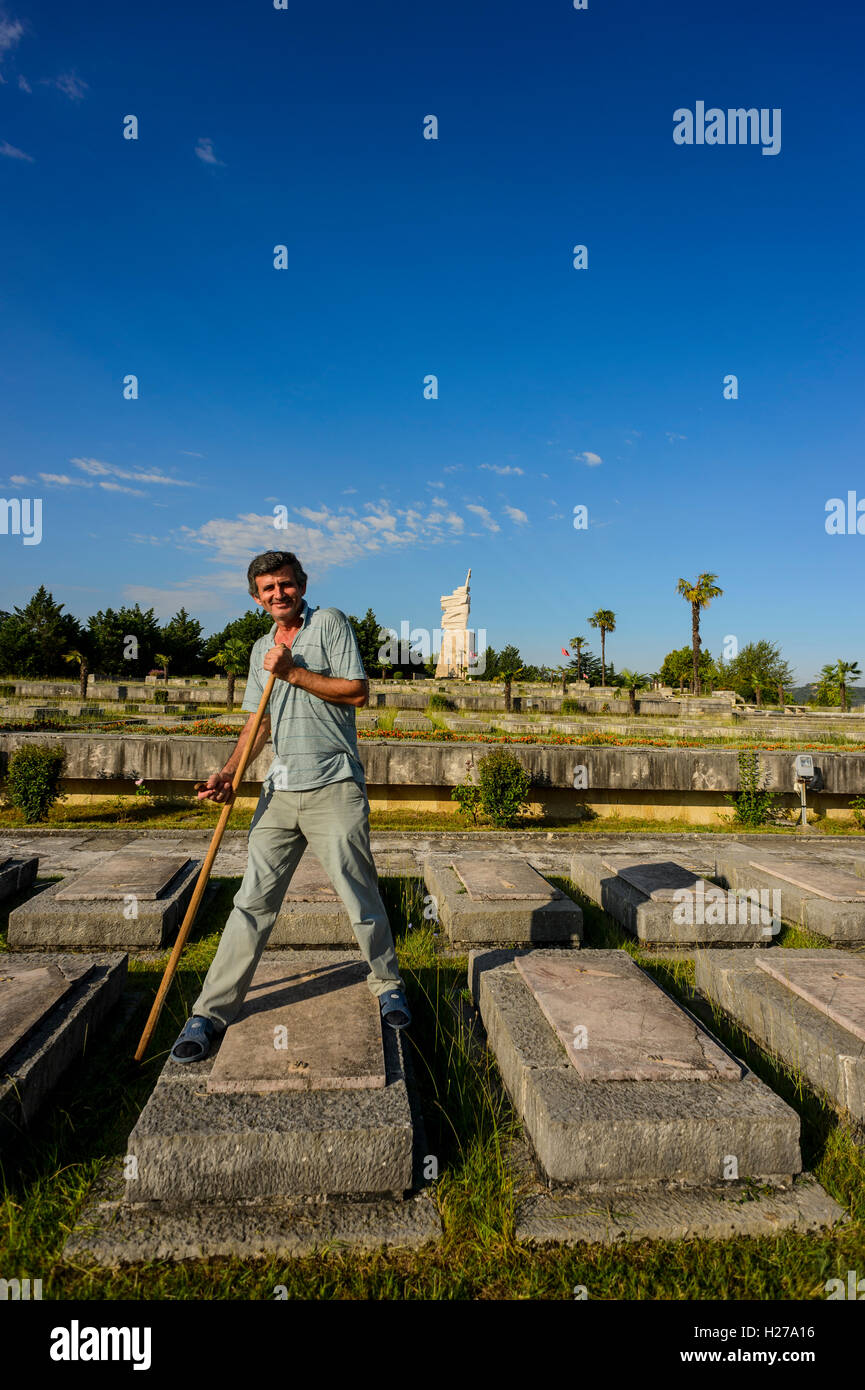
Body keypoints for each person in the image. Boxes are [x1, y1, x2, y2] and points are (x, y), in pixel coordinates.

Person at [170, 549, 410, 1063]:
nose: (278, 594)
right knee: (252, 902)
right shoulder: (261, 647)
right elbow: (257, 724)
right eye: (267, 589)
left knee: (357, 890)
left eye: (285, 584)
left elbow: (357, 692)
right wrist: (230, 771)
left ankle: (387, 981)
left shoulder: (329, 624)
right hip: (279, 792)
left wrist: (295, 671)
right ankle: (210, 1012)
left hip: (334, 784)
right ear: (257, 598)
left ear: (301, 584)